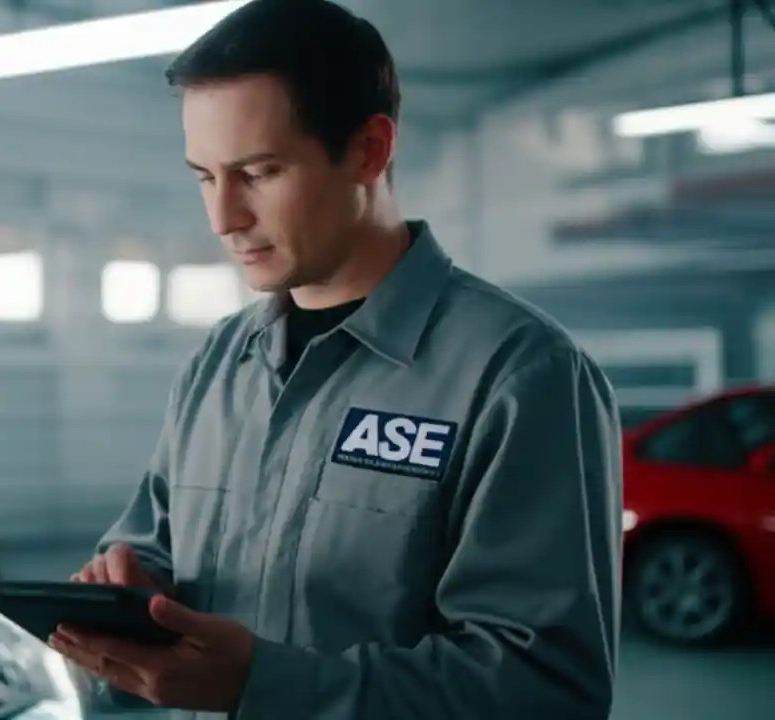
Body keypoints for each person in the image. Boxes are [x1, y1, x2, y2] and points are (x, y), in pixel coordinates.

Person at [47, 1, 623, 718]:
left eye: (258, 172)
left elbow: (545, 692)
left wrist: (262, 685)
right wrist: (127, 594)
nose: (224, 218)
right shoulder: (220, 365)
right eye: (205, 176)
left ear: (369, 150)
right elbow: (150, 549)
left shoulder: (518, 375)